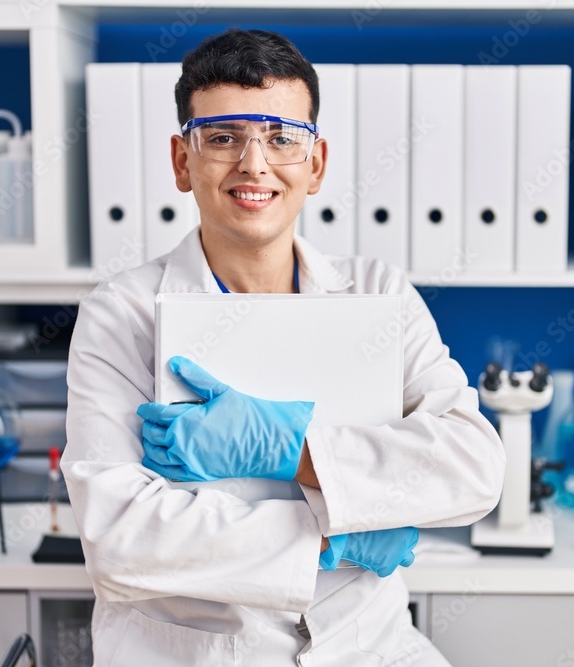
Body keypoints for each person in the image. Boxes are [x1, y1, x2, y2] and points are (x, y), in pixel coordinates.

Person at [62, 28, 505, 666]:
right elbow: (122, 543)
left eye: (281, 138)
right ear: (182, 162)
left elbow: (473, 467)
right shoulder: (122, 316)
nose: (253, 163)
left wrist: (295, 451)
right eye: (222, 138)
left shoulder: (378, 294)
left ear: (316, 164)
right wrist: (338, 533)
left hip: (371, 649)